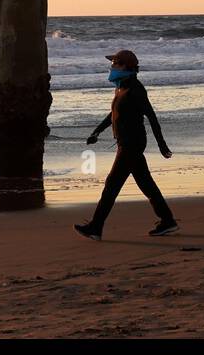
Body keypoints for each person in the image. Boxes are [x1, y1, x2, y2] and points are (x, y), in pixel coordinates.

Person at [74, 49, 178, 241]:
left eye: (114, 63)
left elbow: (152, 117)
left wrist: (162, 144)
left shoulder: (135, 89)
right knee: (146, 183)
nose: (111, 67)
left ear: (124, 66)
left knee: (111, 185)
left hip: (132, 144)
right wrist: (96, 131)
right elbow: (113, 114)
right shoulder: (120, 88)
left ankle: (96, 227)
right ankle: (168, 220)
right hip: (125, 143)